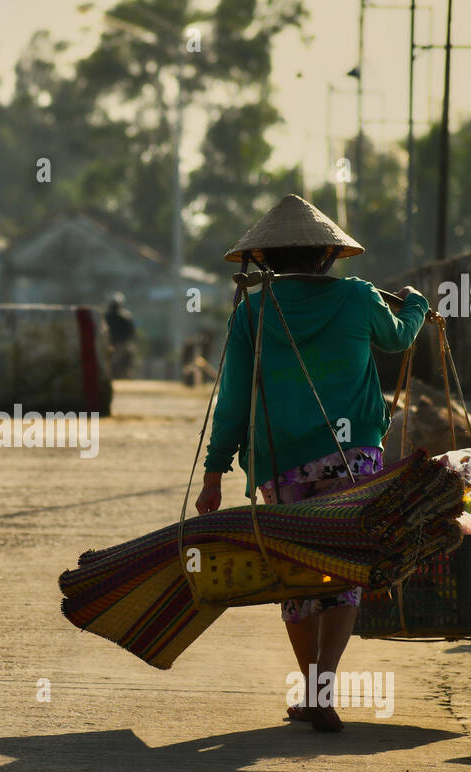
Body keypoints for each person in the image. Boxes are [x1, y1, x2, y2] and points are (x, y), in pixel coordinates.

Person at [194, 194, 431, 732]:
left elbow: (231, 399)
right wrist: (415, 304)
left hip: (283, 463)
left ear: (267, 261)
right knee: (344, 569)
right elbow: (398, 338)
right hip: (353, 460)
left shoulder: (255, 310)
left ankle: (313, 692)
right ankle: (322, 689)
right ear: (328, 253)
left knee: (298, 571)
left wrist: (215, 472)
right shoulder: (358, 297)